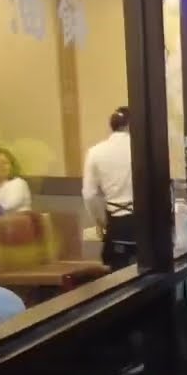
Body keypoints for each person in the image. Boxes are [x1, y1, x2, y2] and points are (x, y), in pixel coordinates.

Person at [82, 106, 136, 269]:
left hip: (117, 222)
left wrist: (99, 221)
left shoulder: (95, 152)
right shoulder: (144, 147)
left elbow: (89, 195)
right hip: (147, 222)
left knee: (117, 274)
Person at [0, 147, 32, 213]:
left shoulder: (17, 183)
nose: (1, 165)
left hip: (16, 222)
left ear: (11, 167)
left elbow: (6, 206)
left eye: (6, 163)